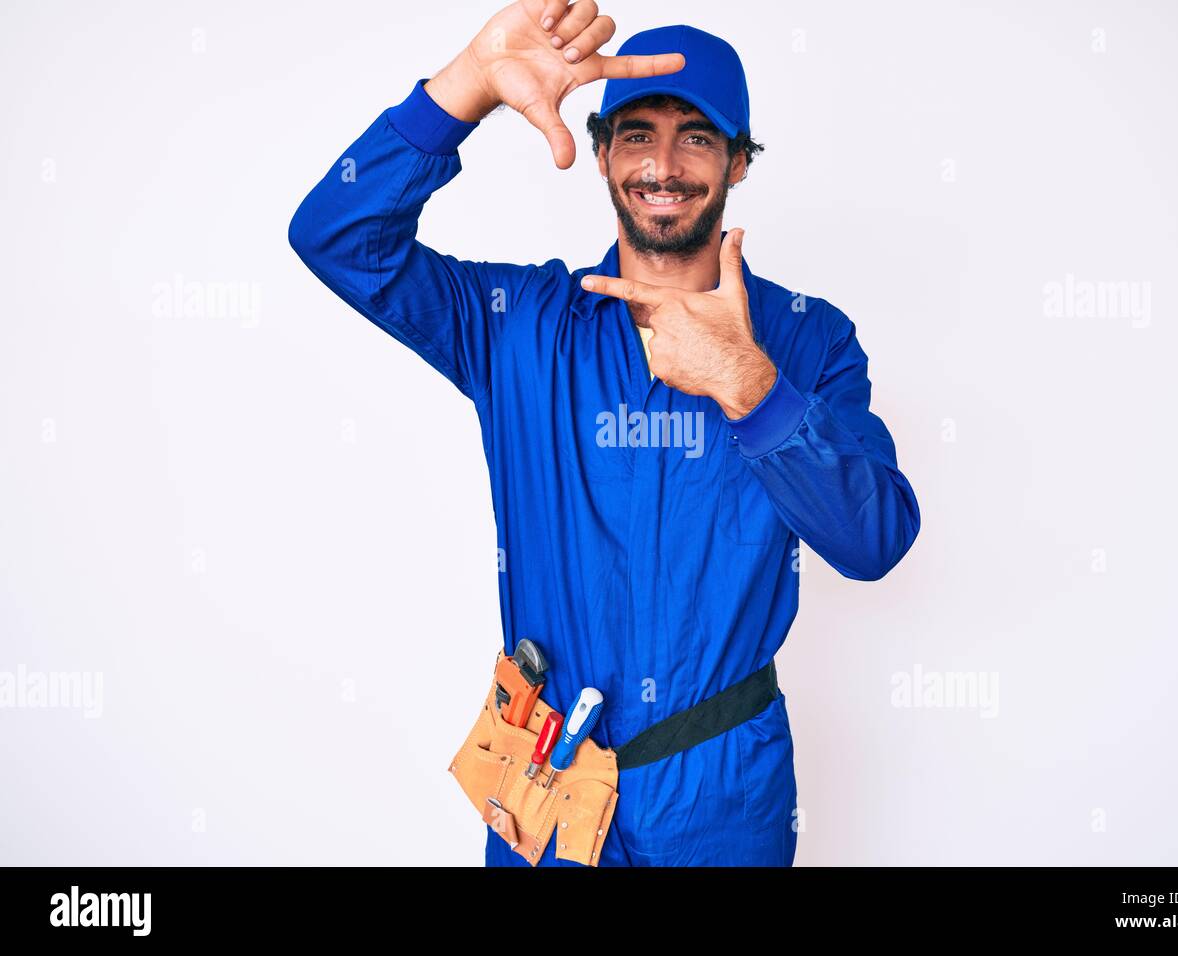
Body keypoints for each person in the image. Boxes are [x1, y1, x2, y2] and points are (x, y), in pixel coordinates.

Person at [288, 0, 921, 866]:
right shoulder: (516, 324)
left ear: (739, 160)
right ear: (600, 154)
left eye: (696, 137)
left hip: (722, 795)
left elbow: (874, 541)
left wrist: (751, 386)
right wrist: (465, 86)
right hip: (545, 782)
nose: (663, 164)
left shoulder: (810, 340)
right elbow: (335, 236)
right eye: (636, 135)